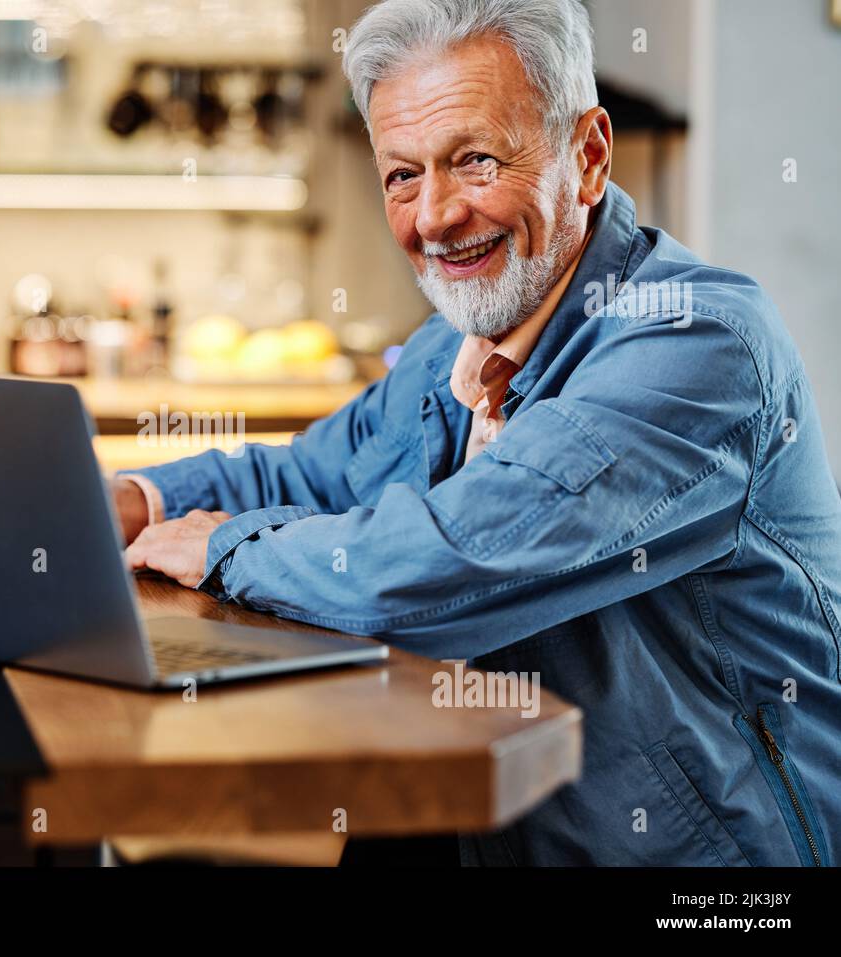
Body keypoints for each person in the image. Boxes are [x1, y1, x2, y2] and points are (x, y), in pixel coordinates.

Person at [112, 0, 840, 866]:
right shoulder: (456, 347)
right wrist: (130, 501)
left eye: (474, 159)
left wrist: (226, 547)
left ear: (589, 154)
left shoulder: (696, 342)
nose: (434, 216)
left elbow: (452, 554)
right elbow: (307, 474)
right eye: (402, 176)